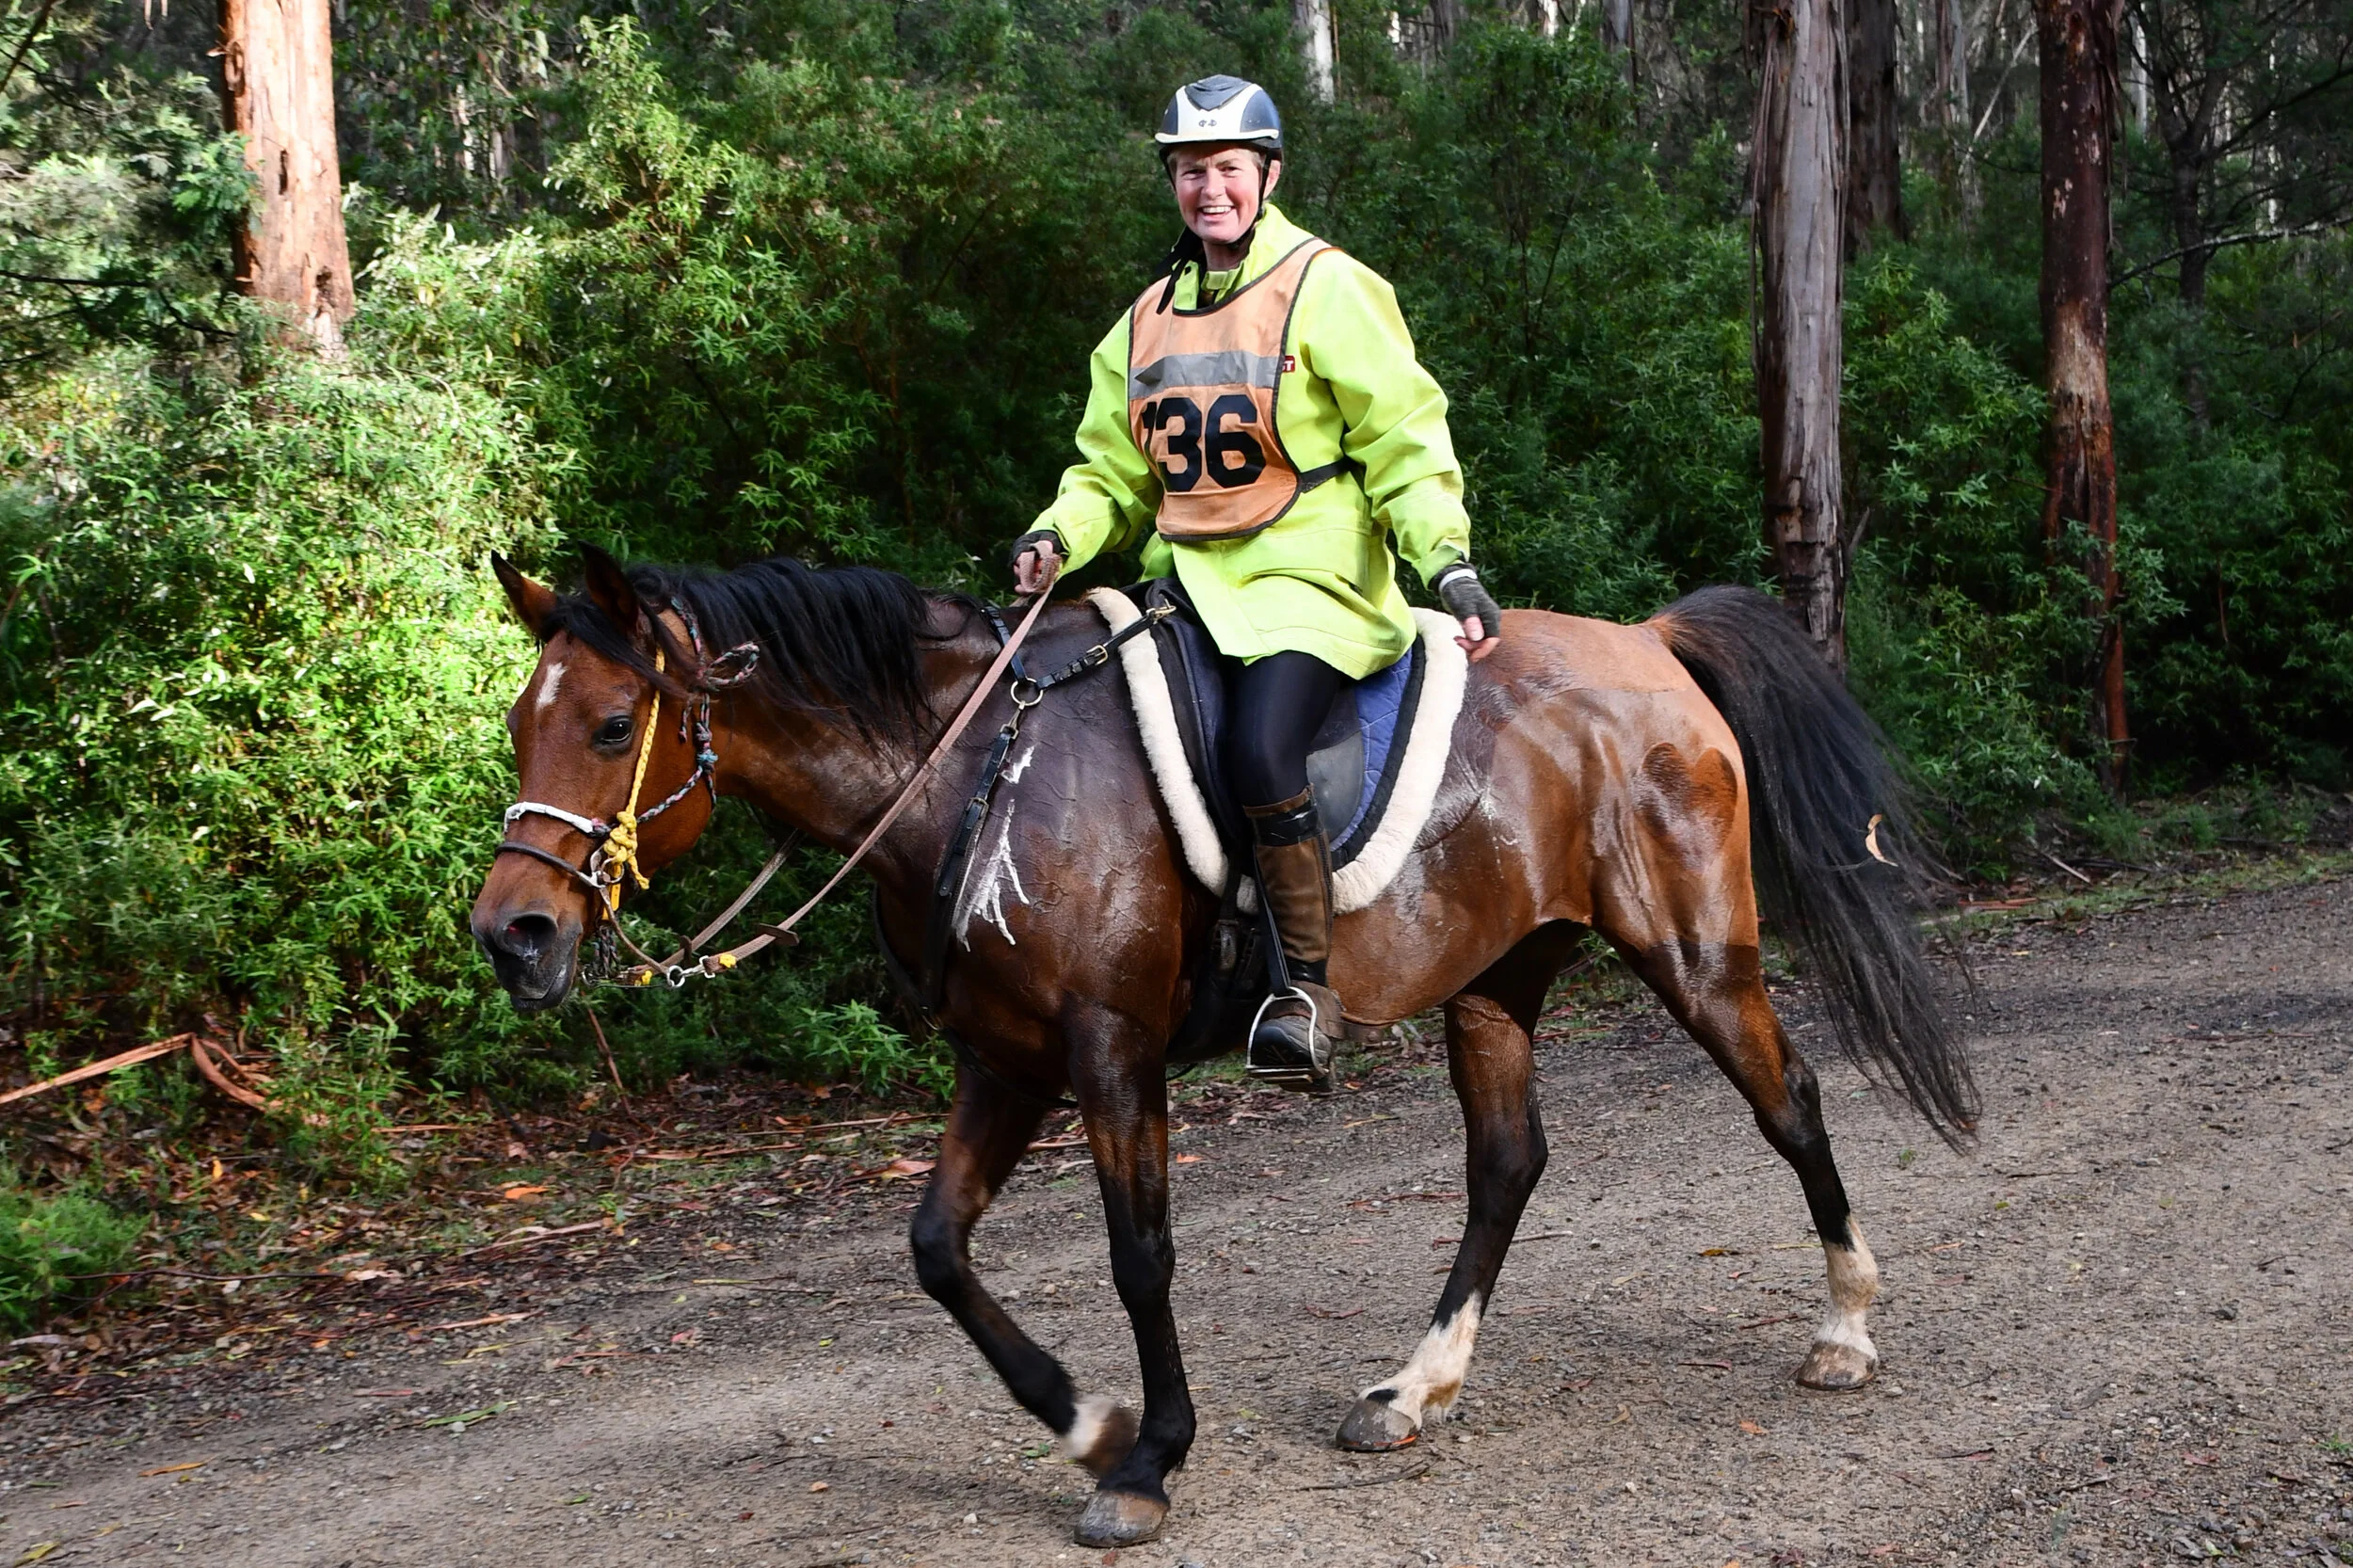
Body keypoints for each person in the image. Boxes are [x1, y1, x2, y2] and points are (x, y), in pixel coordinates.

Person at [1008, 74, 1501, 1093]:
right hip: (1186, 581)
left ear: (1267, 175)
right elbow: (1111, 471)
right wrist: (1058, 533)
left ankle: (1304, 990)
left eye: (1228, 168)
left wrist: (1445, 558)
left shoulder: (1329, 286)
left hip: (1311, 577)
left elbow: (1403, 441)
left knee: (1260, 746)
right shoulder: (1143, 322)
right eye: (1191, 171)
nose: (1211, 190)